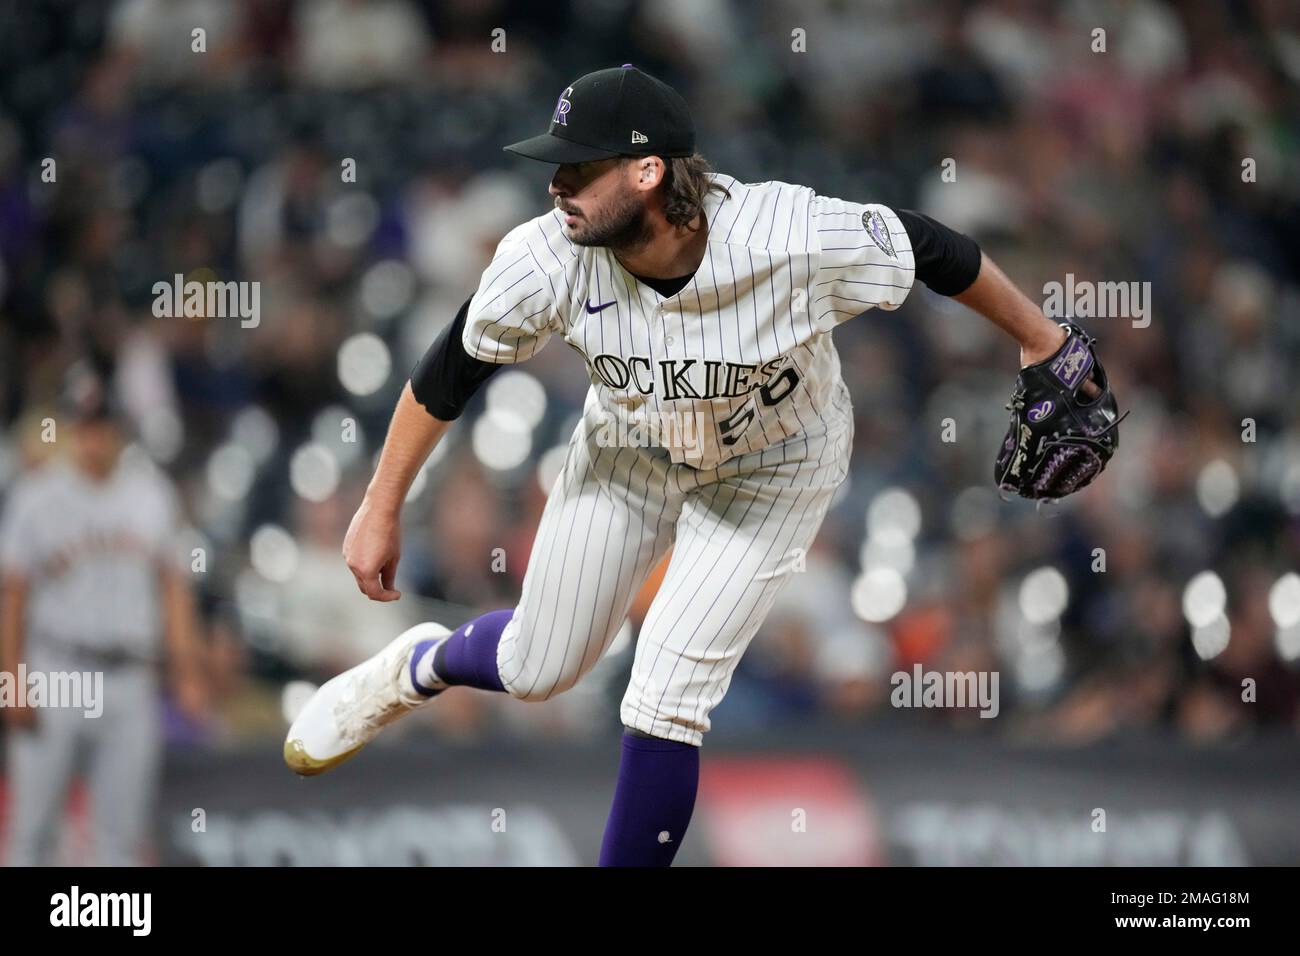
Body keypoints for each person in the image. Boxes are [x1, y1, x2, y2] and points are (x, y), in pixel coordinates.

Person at [285, 65, 1093, 866]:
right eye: (555, 166)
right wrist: (379, 504)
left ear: (648, 171)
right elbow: (449, 371)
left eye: (579, 166)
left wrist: (1040, 336)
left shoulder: (786, 235)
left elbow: (929, 246)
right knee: (538, 666)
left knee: (665, 701)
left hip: (773, 468)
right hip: (632, 449)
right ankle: (417, 666)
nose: (556, 184)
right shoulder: (544, 258)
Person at [0, 363, 206, 865]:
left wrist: (186, 672)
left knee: (121, 834)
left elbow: (174, 589)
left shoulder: (150, 494)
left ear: (119, 429)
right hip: (57, 669)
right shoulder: (36, 496)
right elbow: (13, 593)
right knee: (32, 829)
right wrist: (11, 675)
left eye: (103, 425)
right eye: (84, 425)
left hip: (129, 675)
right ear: (70, 428)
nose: (93, 437)